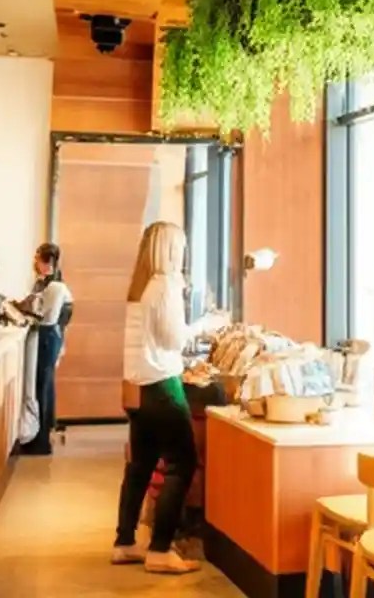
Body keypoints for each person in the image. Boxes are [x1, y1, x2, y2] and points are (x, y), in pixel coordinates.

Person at [112, 221, 226, 574]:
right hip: (162, 385)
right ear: (171, 249)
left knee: (140, 467)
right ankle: (161, 549)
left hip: (136, 387)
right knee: (182, 463)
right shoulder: (164, 286)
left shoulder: (140, 285)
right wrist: (207, 324)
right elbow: (174, 340)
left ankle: (125, 542)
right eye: (181, 246)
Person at [19, 243, 73, 455]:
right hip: (46, 337)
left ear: (47, 262)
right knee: (41, 385)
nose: (34, 263)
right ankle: (37, 435)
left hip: (48, 338)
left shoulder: (56, 288)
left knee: (42, 387)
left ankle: (41, 441)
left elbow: (47, 319)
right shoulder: (43, 284)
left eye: (37, 259)